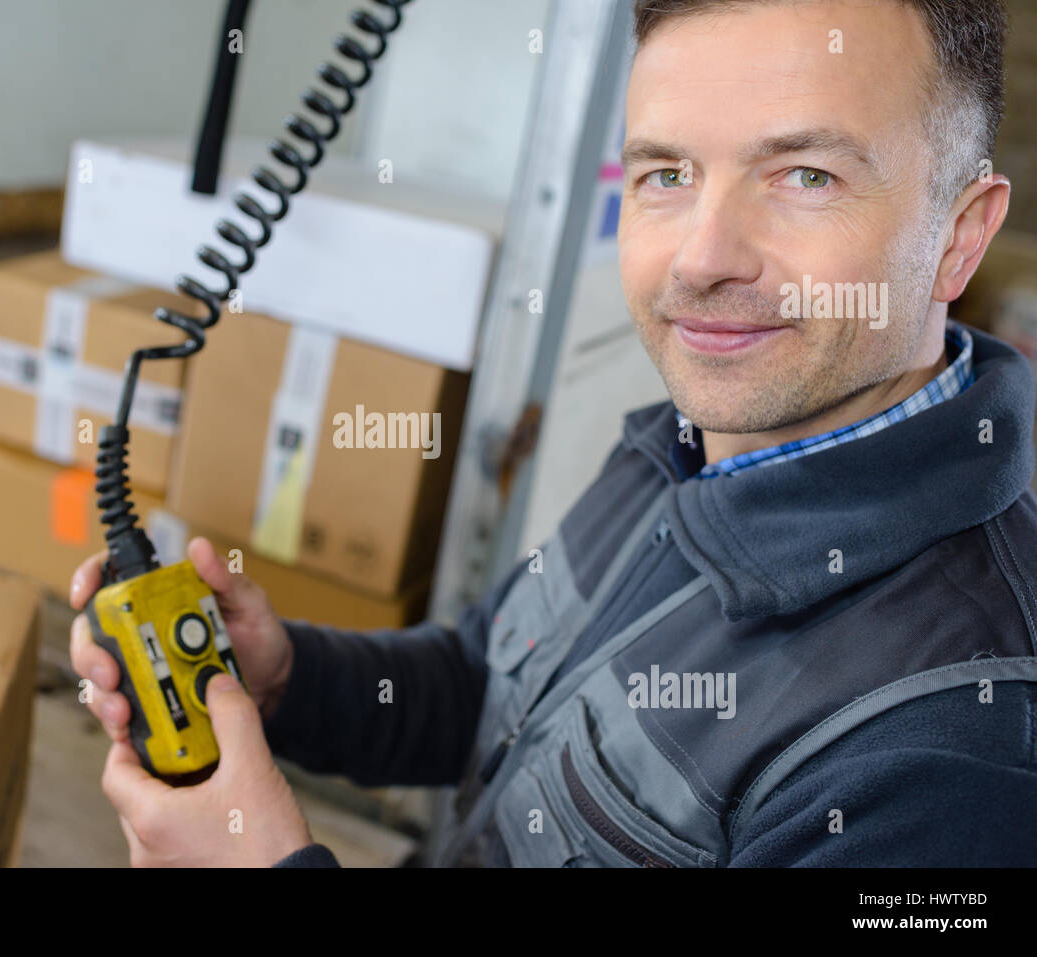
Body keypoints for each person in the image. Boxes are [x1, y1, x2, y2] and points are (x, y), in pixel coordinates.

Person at [70, 0, 1037, 867]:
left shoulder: (950, 749)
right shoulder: (684, 441)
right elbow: (485, 684)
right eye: (667, 172)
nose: (701, 257)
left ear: (960, 233)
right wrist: (290, 679)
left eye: (806, 176)